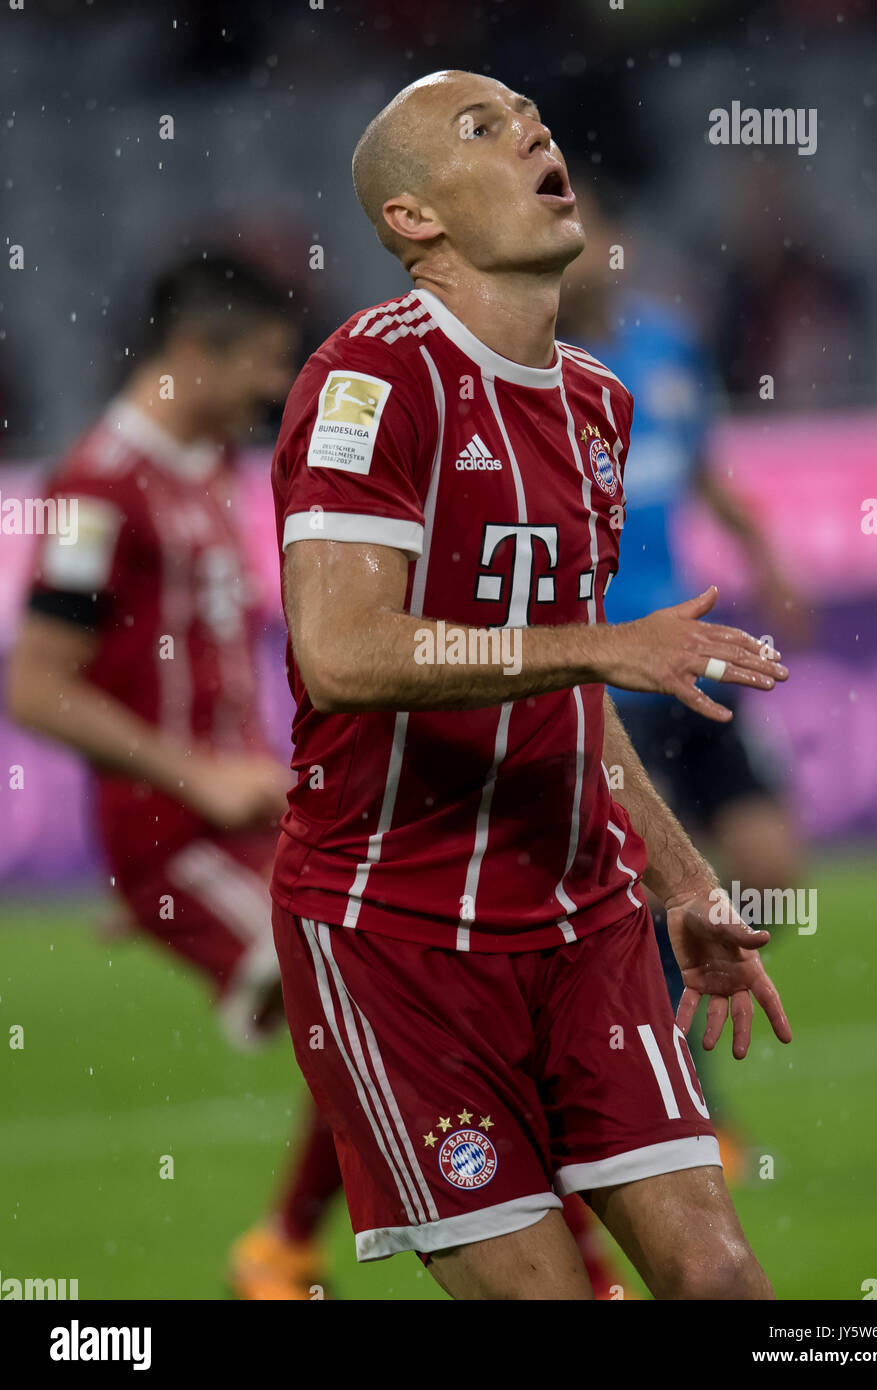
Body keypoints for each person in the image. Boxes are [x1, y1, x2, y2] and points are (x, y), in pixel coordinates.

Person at [270, 69, 792, 1301]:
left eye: (536, 123)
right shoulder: (366, 380)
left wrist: (685, 883)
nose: (535, 135)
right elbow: (339, 653)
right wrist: (593, 645)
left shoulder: (599, 406)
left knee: (722, 1278)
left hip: (583, 923)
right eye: (483, 129)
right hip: (394, 932)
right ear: (415, 219)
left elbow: (574, 702)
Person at [6, 253, 342, 1300]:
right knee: (379, 1008)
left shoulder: (205, 465)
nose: (268, 395)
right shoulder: (95, 487)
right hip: (183, 832)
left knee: (401, 1006)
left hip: (240, 822)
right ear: (195, 351)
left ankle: (283, 1252)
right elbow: (34, 688)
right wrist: (184, 796)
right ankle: (283, 1251)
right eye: (261, 368)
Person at [559, 177, 806, 1174]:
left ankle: (663, 1027)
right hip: (612, 667)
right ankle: (684, 1101)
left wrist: (769, 558)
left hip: (693, 651)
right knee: (653, 886)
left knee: (771, 871)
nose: (583, 254)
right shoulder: (543, 368)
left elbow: (699, 465)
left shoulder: (666, 343)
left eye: (594, 233)